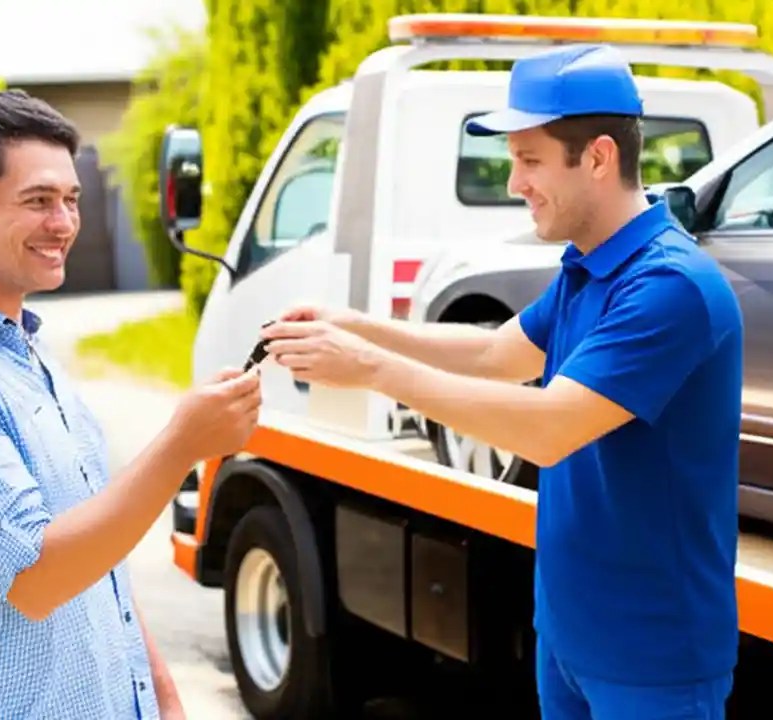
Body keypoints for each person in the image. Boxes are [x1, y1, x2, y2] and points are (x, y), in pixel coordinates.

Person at [262, 44, 743, 720]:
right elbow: (496, 353)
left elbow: (549, 429)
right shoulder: (588, 266)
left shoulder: (669, 287)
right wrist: (357, 327)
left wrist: (369, 368)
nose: (516, 183)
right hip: (571, 635)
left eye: (530, 160)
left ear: (599, 158)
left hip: (652, 657)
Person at [0, 90, 261, 720]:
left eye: (72, 199)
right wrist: (183, 444)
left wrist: (160, 693)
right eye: (38, 200)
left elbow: (96, 551)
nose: (65, 223)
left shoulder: (21, 348)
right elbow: (36, 578)